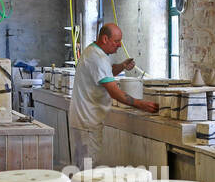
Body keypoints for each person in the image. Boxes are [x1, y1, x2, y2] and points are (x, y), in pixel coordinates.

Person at [68, 23, 158, 168]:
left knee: (82, 165)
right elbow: (114, 92)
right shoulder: (98, 58)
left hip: (82, 119)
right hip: (87, 121)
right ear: (105, 39)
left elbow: (106, 73)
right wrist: (141, 104)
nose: (120, 45)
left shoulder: (92, 51)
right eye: (116, 41)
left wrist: (122, 66)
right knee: (87, 169)